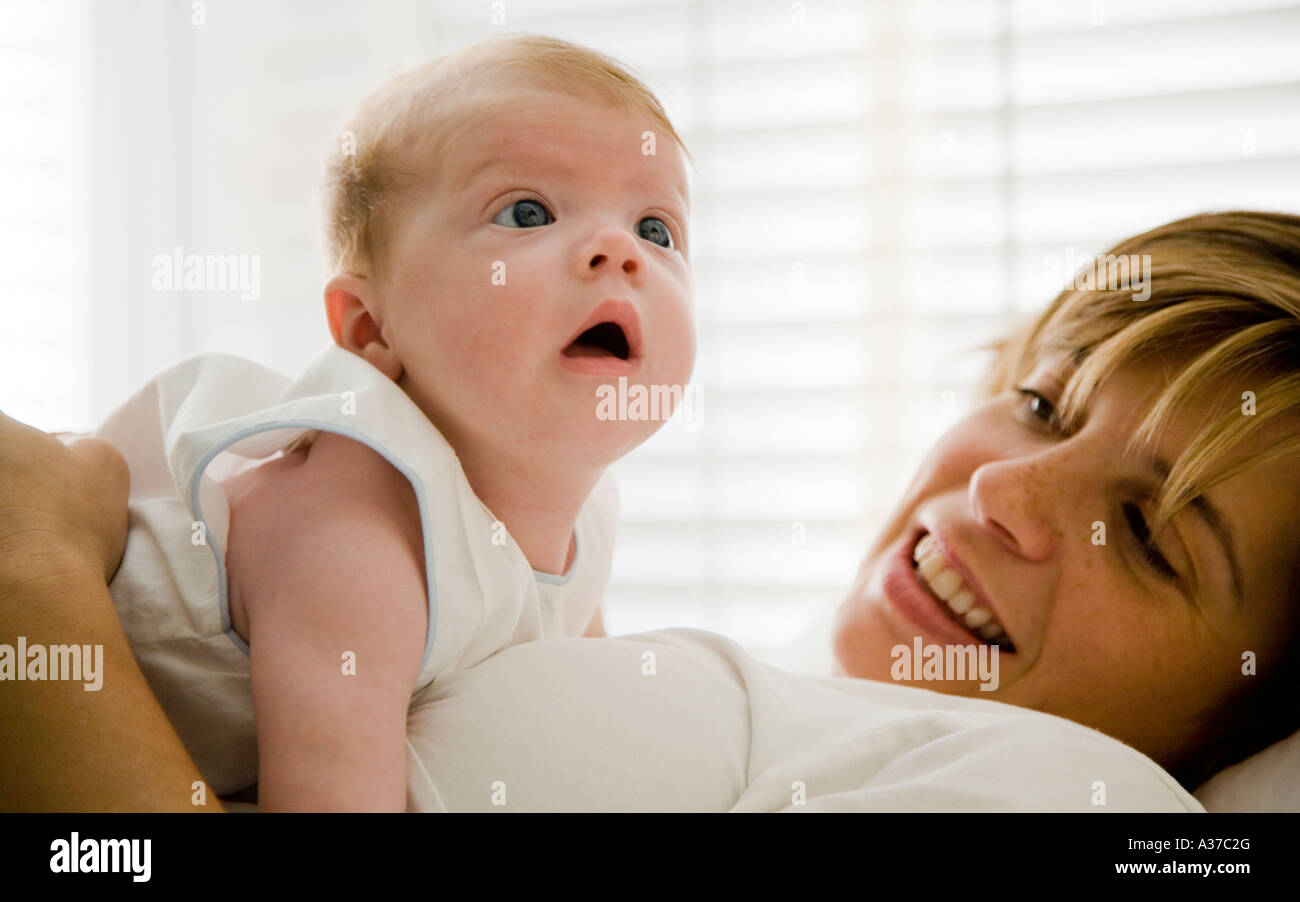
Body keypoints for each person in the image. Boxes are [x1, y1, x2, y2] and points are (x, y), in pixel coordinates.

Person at [2, 209, 1296, 809]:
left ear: (1251, 703)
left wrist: (36, 591)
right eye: (1041, 402)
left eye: (1145, 532)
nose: (1005, 490)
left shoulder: (1074, 793)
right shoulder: (808, 718)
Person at [74, 34, 695, 811]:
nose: (618, 251)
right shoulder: (356, 533)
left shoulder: (589, 522)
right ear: (370, 328)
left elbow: (575, 728)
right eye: (528, 212)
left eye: (656, 229)